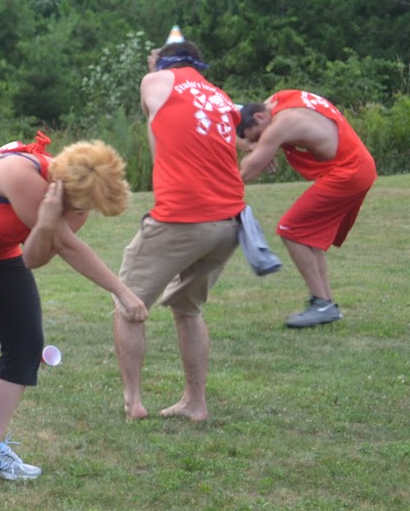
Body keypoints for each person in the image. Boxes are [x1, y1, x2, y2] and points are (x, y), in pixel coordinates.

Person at [0, 135, 148, 485]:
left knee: (26, 344)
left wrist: (51, 223)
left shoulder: (69, 205)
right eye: (81, 207)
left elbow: (34, 257)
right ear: (61, 186)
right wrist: (122, 292)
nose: (82, 215)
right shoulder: (19, 174)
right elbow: (64, 246)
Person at [114, 40, 246, 422]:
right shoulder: (219, 95)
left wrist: (155, 68)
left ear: (162, 61)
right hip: (228, 222)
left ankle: (134, 401)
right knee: (188, 309)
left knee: (129, 304)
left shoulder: (157, 81)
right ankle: (195, 403)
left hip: (183, 216)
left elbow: (151, 111)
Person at [236, 90, 378, 328]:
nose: (259, 140)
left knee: (291, 230)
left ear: (260, 117)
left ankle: (322, 304)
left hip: (348, 172)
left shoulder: (282, 124)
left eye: (258, 136)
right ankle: (325, 303)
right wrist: (259, 147)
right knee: (307, 238)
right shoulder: (278, 101)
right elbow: (246, 139)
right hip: (355, 167)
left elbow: (248, 172)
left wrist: (217, 191)